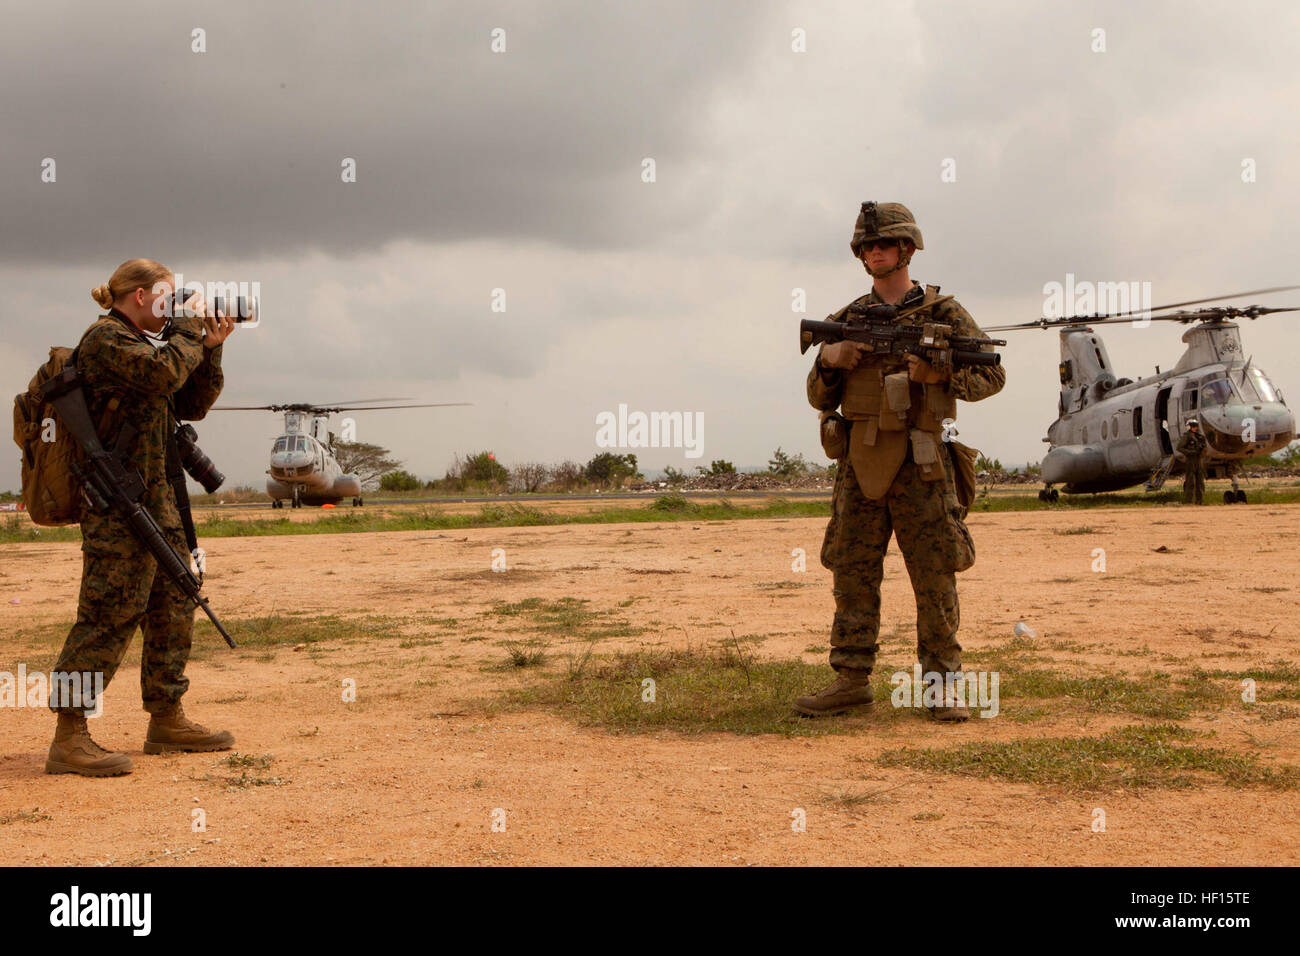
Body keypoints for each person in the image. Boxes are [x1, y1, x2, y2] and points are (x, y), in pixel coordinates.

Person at [794, 202, 1006, 722]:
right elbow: (819, 398)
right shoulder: (845, 321)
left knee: (934, 573)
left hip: (922, 460)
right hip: (859, 460)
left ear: (907, 249)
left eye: (883, 244)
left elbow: (992, 376)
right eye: (866, 247)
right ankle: (849, 680)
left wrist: (941, 377)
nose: (873, 253)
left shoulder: (945, 315)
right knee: (852, 571)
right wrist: (828, 360)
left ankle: (940, 686)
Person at [45, 259, 237, 777]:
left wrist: (211, 348)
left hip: (156, 503)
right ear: (135, 296)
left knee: (175, 603)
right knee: (108, 614)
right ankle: (69, 734)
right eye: (165, 299)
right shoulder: (106, 341)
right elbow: (163, 372)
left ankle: (167, 717)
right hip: (117, 510)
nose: (173, 308)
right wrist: (190, 330)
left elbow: (190, 402)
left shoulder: (150, 345)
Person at [1176, 418, 1207, 505]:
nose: (1194, 428)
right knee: (1191, 482)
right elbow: (1179, 448)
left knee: (1200, 482)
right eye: (1193, 426)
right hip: (1191, 460)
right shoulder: (1186, 436)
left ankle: (1199, 501)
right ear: (1189, 427)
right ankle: (1189, 501)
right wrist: (1190, 452)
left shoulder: (1200, 437)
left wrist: (1202, 452)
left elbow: (1204, 447)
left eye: (1195, 426)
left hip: (1199, 460)